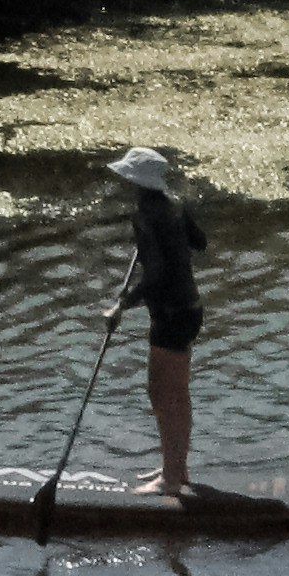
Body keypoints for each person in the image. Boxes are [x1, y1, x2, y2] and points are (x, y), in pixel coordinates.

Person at [105, 147, 207, 495]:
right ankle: (177, 466)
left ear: (135, 181)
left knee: (162, 394)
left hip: (170, 315)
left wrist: (122, 304)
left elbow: (157, 277)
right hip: (191, 309)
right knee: (178, 394)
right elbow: (200, 242)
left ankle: (170, 480)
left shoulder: (145, 215)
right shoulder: (175, 205)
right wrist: (169, 233)